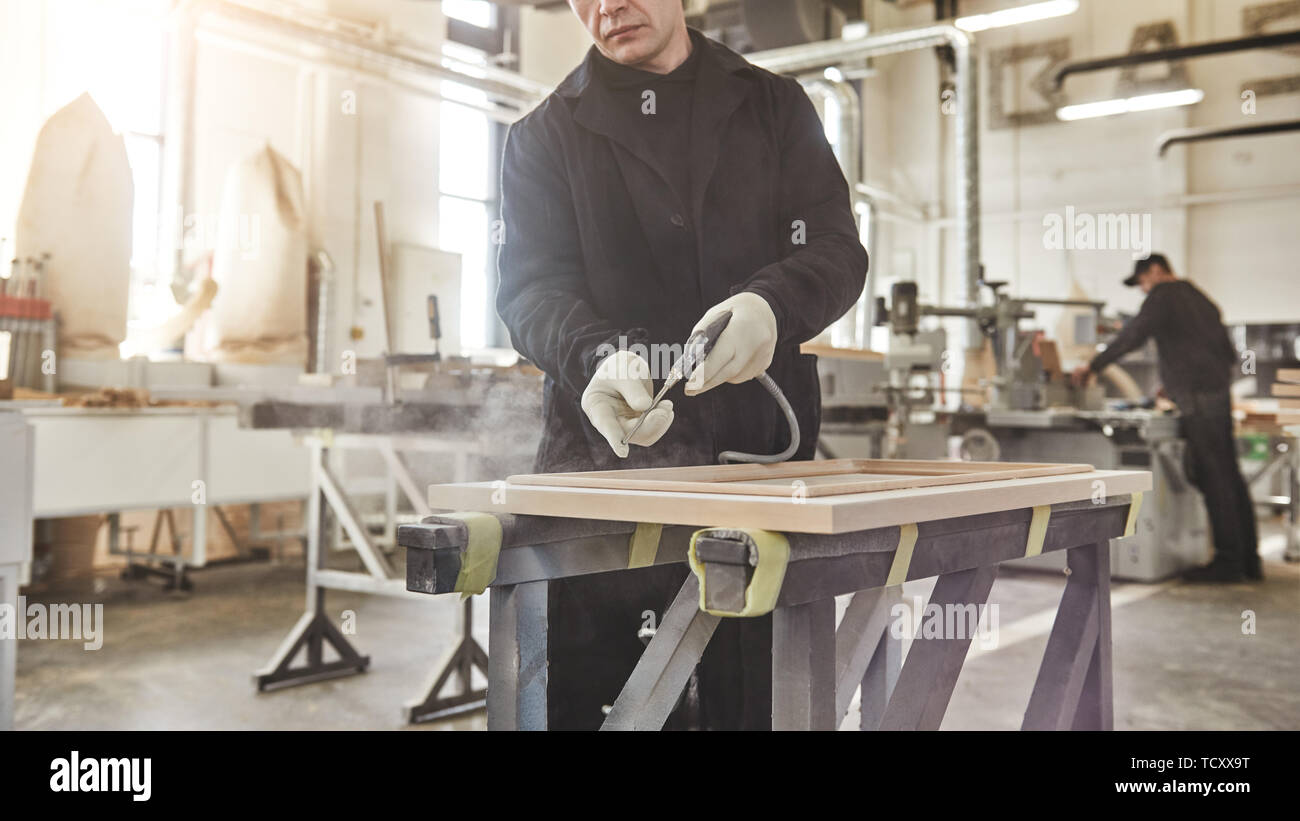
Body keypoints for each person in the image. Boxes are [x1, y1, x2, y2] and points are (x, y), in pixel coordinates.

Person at [496, 0, 868, 727]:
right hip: (604, 482)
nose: (606, 7)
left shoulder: (773, 107)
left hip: (760, 475)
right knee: (601, 706)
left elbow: (835, 247)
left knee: (759, 702)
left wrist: (770, 305)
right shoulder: (542, 137)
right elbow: (529, 289)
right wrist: (598, 359)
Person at [1071, 254, 1260, 582]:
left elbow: (1133, 335)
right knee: (1229, 476)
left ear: (1156, 272)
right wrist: (1173, 382)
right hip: (1216, 396)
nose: (1144, 290)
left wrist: (1093, 366)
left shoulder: (1164, 296)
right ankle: (1249, 562)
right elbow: (1225, 353)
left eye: (1142, 282)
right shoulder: (1202, 300)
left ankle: (1229, 564)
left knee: (1213, 477)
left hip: (1197, 401)